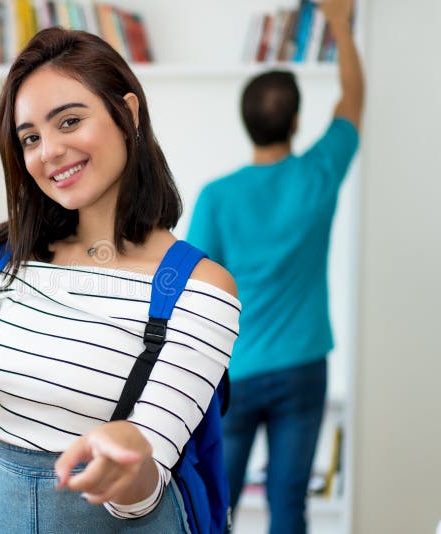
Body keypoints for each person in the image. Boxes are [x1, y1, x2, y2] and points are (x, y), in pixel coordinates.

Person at [0, 27, 240, 532]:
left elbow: (140, 495)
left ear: (129, 114)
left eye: (70, 121)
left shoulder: (201, 287)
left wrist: (133, 455)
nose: (49, 151)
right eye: (30, 137)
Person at [186, 1, 364, 532]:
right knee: (289, 506)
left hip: (233, 374)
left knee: (218, 504)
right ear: (295, 121)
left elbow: (193, 288)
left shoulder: (216, 197)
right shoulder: (317, 176)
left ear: (247, 123)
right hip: (303, 368)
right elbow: (354, 98)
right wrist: (337, 22)